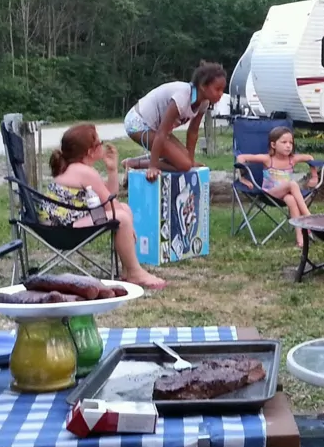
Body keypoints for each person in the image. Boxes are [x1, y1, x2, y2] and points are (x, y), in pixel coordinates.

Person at [37, 124, 166, 290]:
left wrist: (112, 170)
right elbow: (110, 206)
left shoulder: (74, 167)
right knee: (122, 216)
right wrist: (129, 226)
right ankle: (135, 272)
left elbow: (109, 197)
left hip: (62, 223)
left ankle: (127, 270)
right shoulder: (85, 172)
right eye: (100, 143)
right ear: (90, 151)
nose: (103, 145)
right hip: (63, 229)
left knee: (124, 210)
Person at [123, 62, 227, 182]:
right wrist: (153, 166)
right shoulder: (182, 96)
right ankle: (135, 164)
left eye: (222, 90)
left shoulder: (204, 102)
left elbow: (193, 132)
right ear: (203, 86)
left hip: (156, 128)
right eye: (217, 89)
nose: (221, 94)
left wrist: (191, 161)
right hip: (138, 123)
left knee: (186, 161)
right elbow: (162, 132)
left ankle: (131, 162)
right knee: (184, 165)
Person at [235, 127, 318, 247]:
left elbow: (310, 158)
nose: (288, 146)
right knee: (292, 184)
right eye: (284, 142)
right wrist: (242, 178)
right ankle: (308, 217)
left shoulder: (292, 160)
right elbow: (241, 158)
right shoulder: (267, 159)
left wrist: (314, 177)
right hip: (270, 193)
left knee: (291, 200)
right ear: (273, 145)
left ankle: (300, 238)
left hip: (286, 194)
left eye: (291, 143)